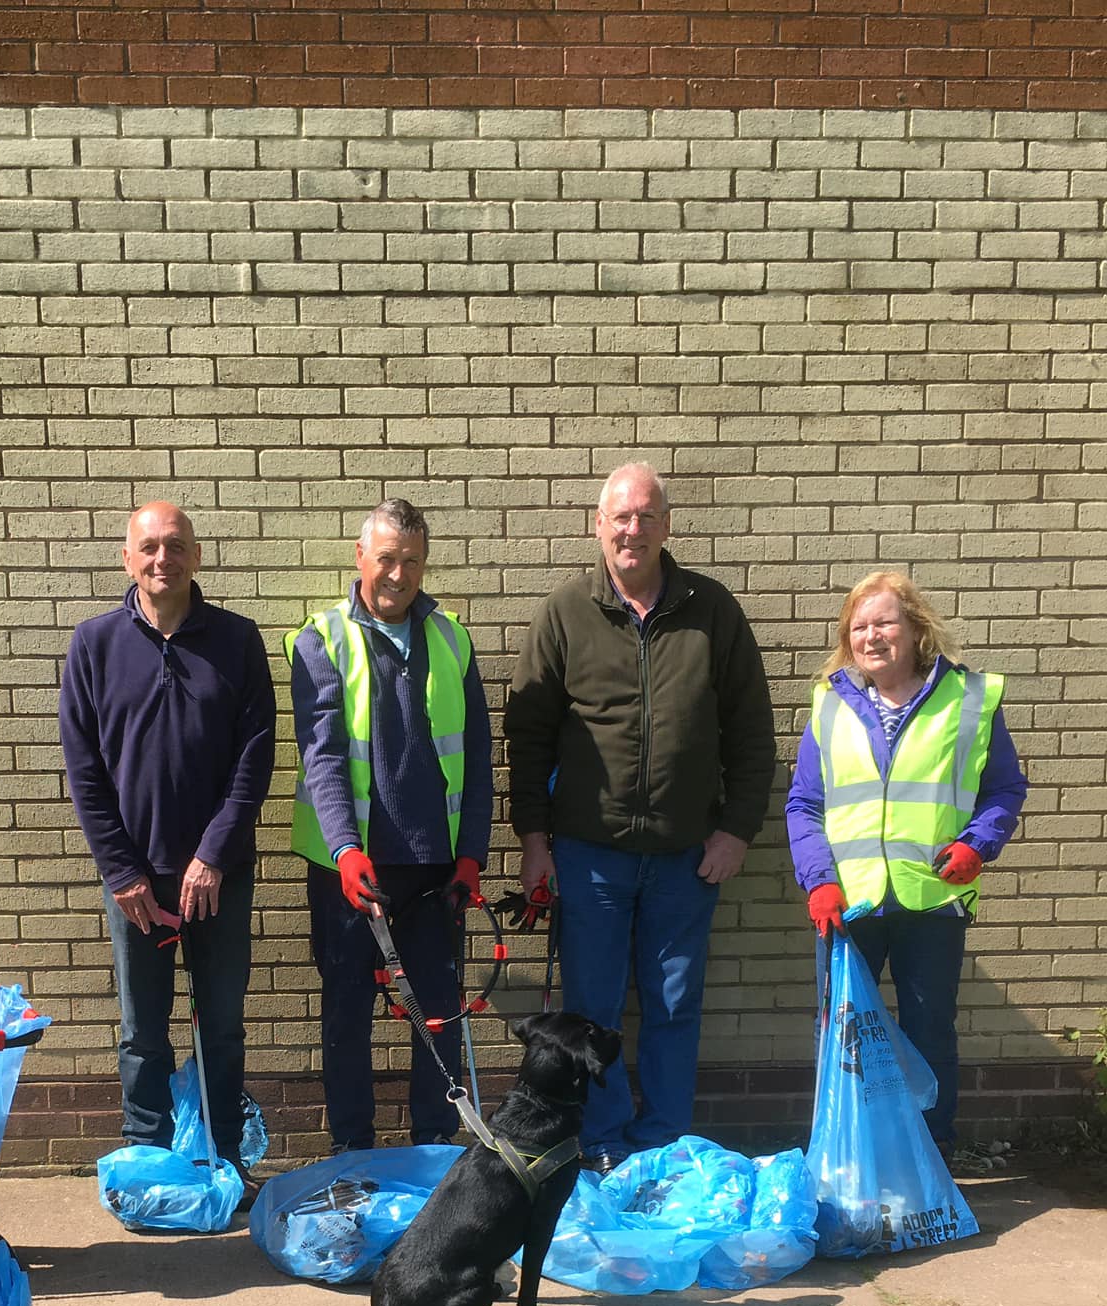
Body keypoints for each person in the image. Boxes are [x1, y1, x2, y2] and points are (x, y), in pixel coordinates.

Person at [505, 462, 777, 1170]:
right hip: (589, 856)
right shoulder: (564, 613)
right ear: (599, 526)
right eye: (620, 517)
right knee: (590, 1012)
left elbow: (752, 733)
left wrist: (736, 830)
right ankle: (596, 1144)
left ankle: (661, 1144)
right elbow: (527, 738)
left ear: (667, 525)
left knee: (674, 1006)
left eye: (647, 516)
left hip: (687, 857)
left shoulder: (712, 611)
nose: (633, 529)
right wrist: (534, 840)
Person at [60, 502, 275, 1198]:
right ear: (128, 559)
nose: (163, 559)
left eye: (176, 545)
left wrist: (213, 854)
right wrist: (121, 870)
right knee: (141, 1032)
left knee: (223, 1025)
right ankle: (148, 1163)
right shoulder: (92, 645)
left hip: (220, 875)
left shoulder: (238, 642)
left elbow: (255, 758)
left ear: (197, 556)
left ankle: (224, 1159)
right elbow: (84, 768)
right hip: (137, 884)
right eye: (149, 547)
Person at [785, 569, 1028, 1159]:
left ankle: (932, 1152)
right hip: (848, 904)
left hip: (933, 899)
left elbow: (1004, 790)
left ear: (916, 629)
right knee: (844, 1038)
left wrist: (977, 844)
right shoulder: (831, 703)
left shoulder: (970, 697)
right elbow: (804, 803)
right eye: (859, 626)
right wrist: (819, 881)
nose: (872, 637)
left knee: (929, 1034)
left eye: (885, 622)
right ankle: (852, 1154)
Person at [287, 498, 493, 1153]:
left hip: (435, 869)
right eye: (386, 560)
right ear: (360, 559)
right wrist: (346, 851)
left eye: (410, 561)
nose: (398, 575)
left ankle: (434, 1142)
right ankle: (353, 1148)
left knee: (438, 1014)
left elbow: (480, 755)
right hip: (351, 873)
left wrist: (472, 856)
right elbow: (320, 755)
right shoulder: (321, 639)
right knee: (347, 1014)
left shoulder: (453, 637)